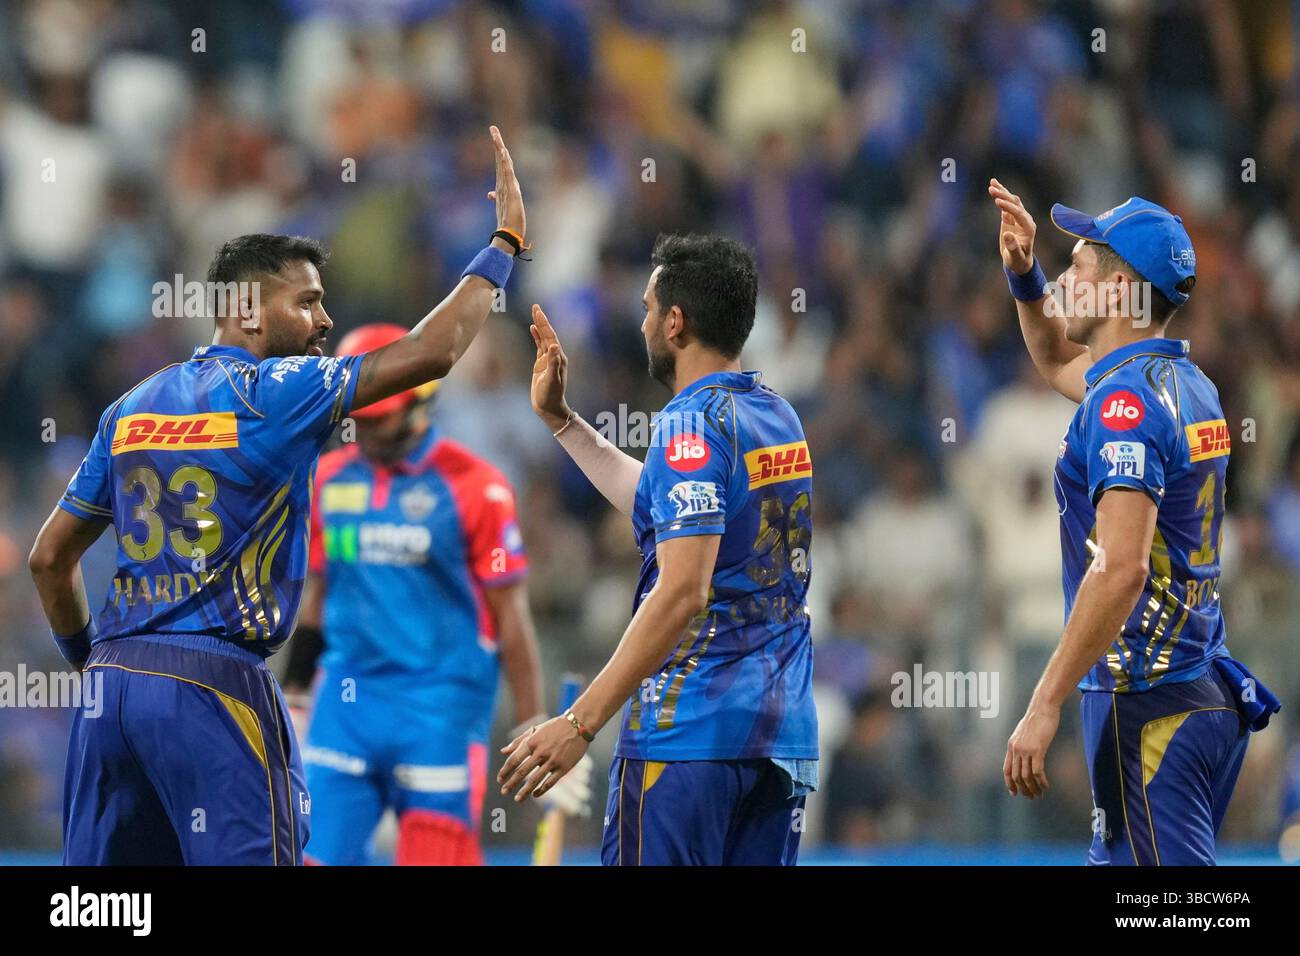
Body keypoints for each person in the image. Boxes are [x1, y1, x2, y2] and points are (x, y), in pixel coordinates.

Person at [27, 127, 527, 865]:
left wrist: (90, 663)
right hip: (213, 684)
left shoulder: (131, 406)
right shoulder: (276, 393)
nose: (326, 322)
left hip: (110, 693)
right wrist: (505, 244)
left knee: (105, 912)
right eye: (310, 303)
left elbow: (47, 559)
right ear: (251, 313)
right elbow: (434, 352)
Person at [497, 233, 818, 866]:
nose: (643, 321)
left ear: (675, 322)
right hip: (781, 741)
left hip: (687, 736)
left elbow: (682, 591)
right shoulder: (776, 415)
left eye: (648, 308)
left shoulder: (687, 424)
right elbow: (658, 499)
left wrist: (580, 722)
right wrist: (562, 420)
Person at [990, 180, 1281, 864]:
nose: (1065, 276)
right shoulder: (1183, 384)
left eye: (1078, 266)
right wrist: (1024, 275)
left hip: (1152, 702)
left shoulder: (1125, 405)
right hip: (1194, 684)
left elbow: (1119, 567)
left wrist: (1043, 702)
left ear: (1120, 291)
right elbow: (1058, 359)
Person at [282, 322, 589, 865]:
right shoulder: (327, 480)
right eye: (361, 418)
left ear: (423, 400)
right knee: (306, 857)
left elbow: (511, 618)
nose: (369, 432)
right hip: (346, 707)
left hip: (440, 711)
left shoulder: (479, 488)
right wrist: (297, 694)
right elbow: (317, 600)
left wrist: (534, 727)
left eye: (382, 417)